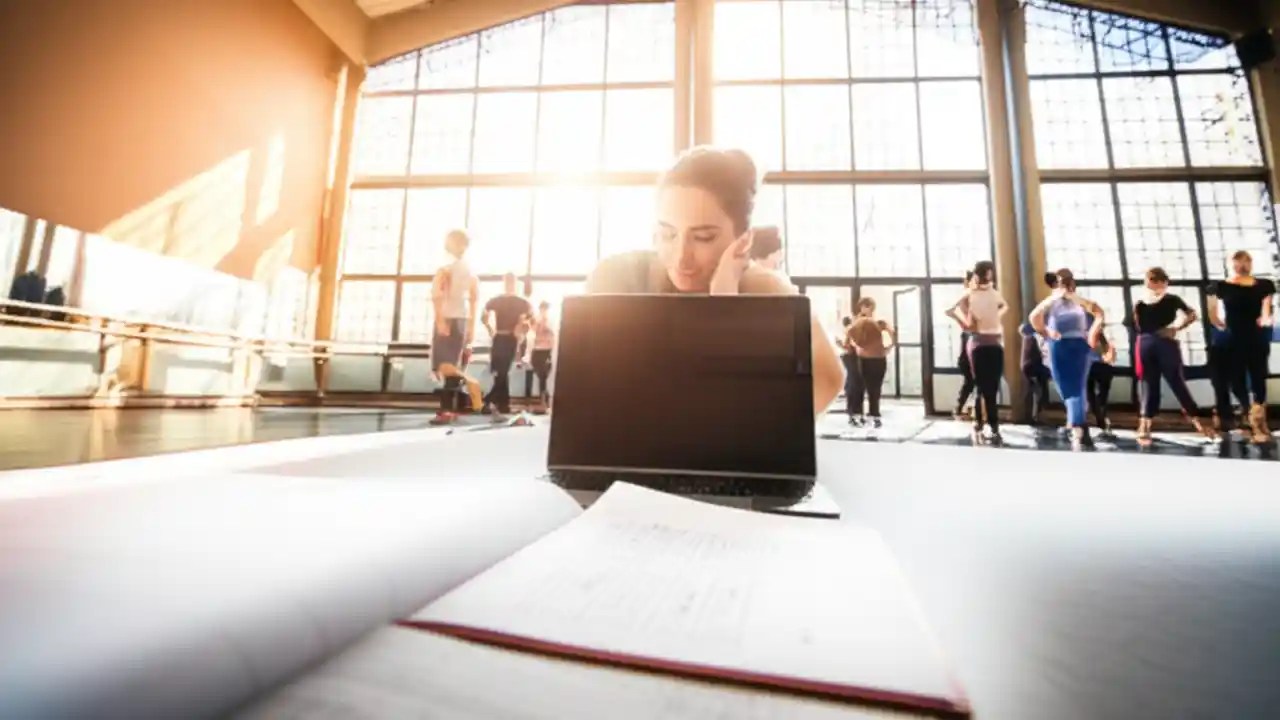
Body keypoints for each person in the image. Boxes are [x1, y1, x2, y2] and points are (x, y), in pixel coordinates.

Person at [585, 146, 844, 413]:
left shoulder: (767, 291)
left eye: (703, 237)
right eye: (667, 234)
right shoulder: (619, 277)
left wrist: (724, 306)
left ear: (743, 240)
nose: (681, 257)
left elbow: (828, 378)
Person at [1131, 267, 1214, 444]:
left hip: (1164, 343)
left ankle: (1197, 421)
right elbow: (1135, 325)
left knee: (1176, 381)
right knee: (1148, 383)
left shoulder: (1171, 299)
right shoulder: (1140, 302)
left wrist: (1176, 329)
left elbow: (1192, 314)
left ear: (1162, 282)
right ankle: (1145, 424)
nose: (1152, 284)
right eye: (1149, 281)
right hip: (1145, 343)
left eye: (1155, 281)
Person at [1029, 268, 1105, 449]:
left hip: (1071, 345)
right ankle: (1079, 426)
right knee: (1071, 387)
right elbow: (1034, 317)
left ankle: (1078, 426)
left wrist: (1092, 333)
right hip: (1065, 345)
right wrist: (1046, 332)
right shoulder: (1058, 302)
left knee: (1073, 387)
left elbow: (1099, 313)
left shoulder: (1071, 301)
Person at [1207, 250, 1275, 443]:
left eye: (1246, 261)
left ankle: (1260, 420)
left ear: (1251, 264)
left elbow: (1266, 309)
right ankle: (1248, 413)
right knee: (1235, 379)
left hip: (1255, 337)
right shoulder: (1219, 286)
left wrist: (1265, 319)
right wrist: (1223, 328)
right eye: (1238, 262)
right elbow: (1212, 314)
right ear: (1231, 264)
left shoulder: (1263, 285)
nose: (1242, 265)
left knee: (1258, 376)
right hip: (1232, 338)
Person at [945, 260, 1007, 443]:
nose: (991, 275)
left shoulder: (993, 294)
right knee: (983, 387)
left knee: (991, 387)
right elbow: (957, 315)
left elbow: (1003, 307)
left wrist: (995, 317)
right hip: (979, 344)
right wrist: (961, 317)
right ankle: (983, 423)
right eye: (989, 272)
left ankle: (989, 425)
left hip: (994, 343)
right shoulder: (970, 295)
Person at [430, 229, 483, 425]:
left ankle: (450, 407)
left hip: (450, 319)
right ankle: (450, 409)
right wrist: (471, 325)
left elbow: (437, 296)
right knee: (451, 364)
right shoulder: (468, 270)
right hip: (460, 319)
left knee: (446, 365)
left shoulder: (448, 268)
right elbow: (474, 299)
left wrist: (440, 320)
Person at [480, 273, 532, 420]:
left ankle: (489, 400)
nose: (509, 284)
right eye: (507, 281)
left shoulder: (522, 302)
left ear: (515, 283)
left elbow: (529, 319)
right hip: (499, 337)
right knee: (500, 372)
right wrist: (490, 329)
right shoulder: (496, 300)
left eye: (511, 281)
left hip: (511, 338)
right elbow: (483, 315)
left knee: (503, 371)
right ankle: (503, 404)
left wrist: (520, 330)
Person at [847, 297, 896, 428]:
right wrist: (889, 347)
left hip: (870, 358)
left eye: (869, 306)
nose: (867, 309)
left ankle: (870, 414)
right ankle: (869, 415)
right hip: (874, 358)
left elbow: (850, 337)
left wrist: (889, 347)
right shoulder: (869, 322)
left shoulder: (864, 322)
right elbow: (892, 333)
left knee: (869, 388)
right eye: (866, 306)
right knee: (869, 388)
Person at [953, 271, 977, 420]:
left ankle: (964, 408)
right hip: (970, 340)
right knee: (970, 381)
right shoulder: (967, 297)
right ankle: (960, 408)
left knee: (971, 382)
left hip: (972, 338)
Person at [1020, 322, 1051, 427]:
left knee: (1035, 390)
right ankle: (1036, 416)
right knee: (1039, 391)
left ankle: (1035, 416)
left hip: (1031, 366)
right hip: (1035, 366)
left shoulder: (1029, 336)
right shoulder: (1035, 336)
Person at [527, 300, 556, 413]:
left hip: (546, 351)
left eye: (545, 309)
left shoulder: (551, 322)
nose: (543, 311)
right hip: (537, 351)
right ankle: (543, 402)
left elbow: (551, 336)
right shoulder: (536, 321)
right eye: (542, 309)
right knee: (541, 377)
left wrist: (545, 328)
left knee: (543, 377)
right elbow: (533, 331)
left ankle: (545, 403)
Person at [1086, 331, 1116, 437]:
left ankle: (1098, 418)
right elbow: (1111, 353)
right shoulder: (1105, 334)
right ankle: (1101, 419)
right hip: (1103, 366)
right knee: (1102, 395)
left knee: (1090, 394)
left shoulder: (1084, 332)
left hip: (1089, 366)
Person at [838, 315, 860, 421]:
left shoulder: (845, 330)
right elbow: (849, 346)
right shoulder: (850, 330)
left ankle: (851, 408)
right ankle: (853, 408)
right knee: (854, 380)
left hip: (846, 356)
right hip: (851, 357)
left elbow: (845, 345)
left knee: (851, 380)